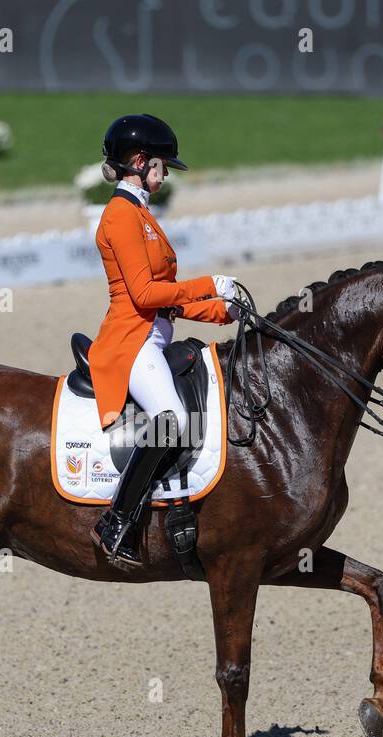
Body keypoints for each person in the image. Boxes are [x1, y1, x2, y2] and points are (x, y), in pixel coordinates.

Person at [87, 113, 239, 567]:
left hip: (152, 333)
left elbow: (166, 303)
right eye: (162, 164)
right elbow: (144, 294)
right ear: (139, 162)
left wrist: (222, 312)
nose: (167, 172)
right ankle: (117, 522)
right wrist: (208, 283)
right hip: (131, 344)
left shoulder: (141, 214)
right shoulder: (119, 216)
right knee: (172, 419)